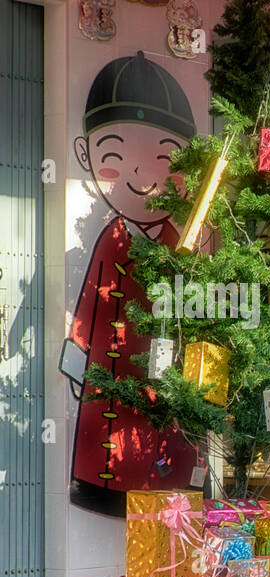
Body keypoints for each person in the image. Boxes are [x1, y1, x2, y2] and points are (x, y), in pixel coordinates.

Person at [62, 52, 200, 516]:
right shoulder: (109, 239)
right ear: (86, 155)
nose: (143, 176)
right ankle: (100, 490)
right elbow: (85, 312)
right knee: (106, 454)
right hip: (108, 380)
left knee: (162, 464)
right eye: (116, 155)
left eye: (165, 159)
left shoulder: (180, 247)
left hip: (163, 386)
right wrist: (77, 372)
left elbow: (194, 314)